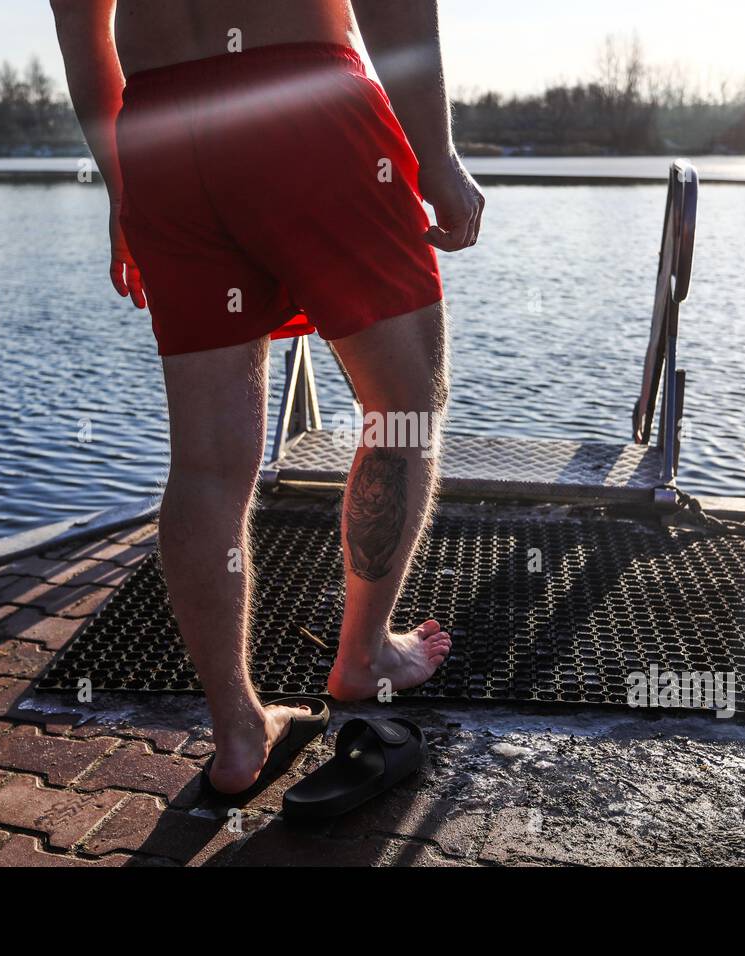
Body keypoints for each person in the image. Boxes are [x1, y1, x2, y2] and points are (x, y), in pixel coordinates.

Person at [50, 0, 483, 794]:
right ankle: (363, 655)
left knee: (208, 462)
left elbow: (80, 27)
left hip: (160, 133)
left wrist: (123, 188)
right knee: (404, 406)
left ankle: (239, 734)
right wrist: (439, 158)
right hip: (306, 102)